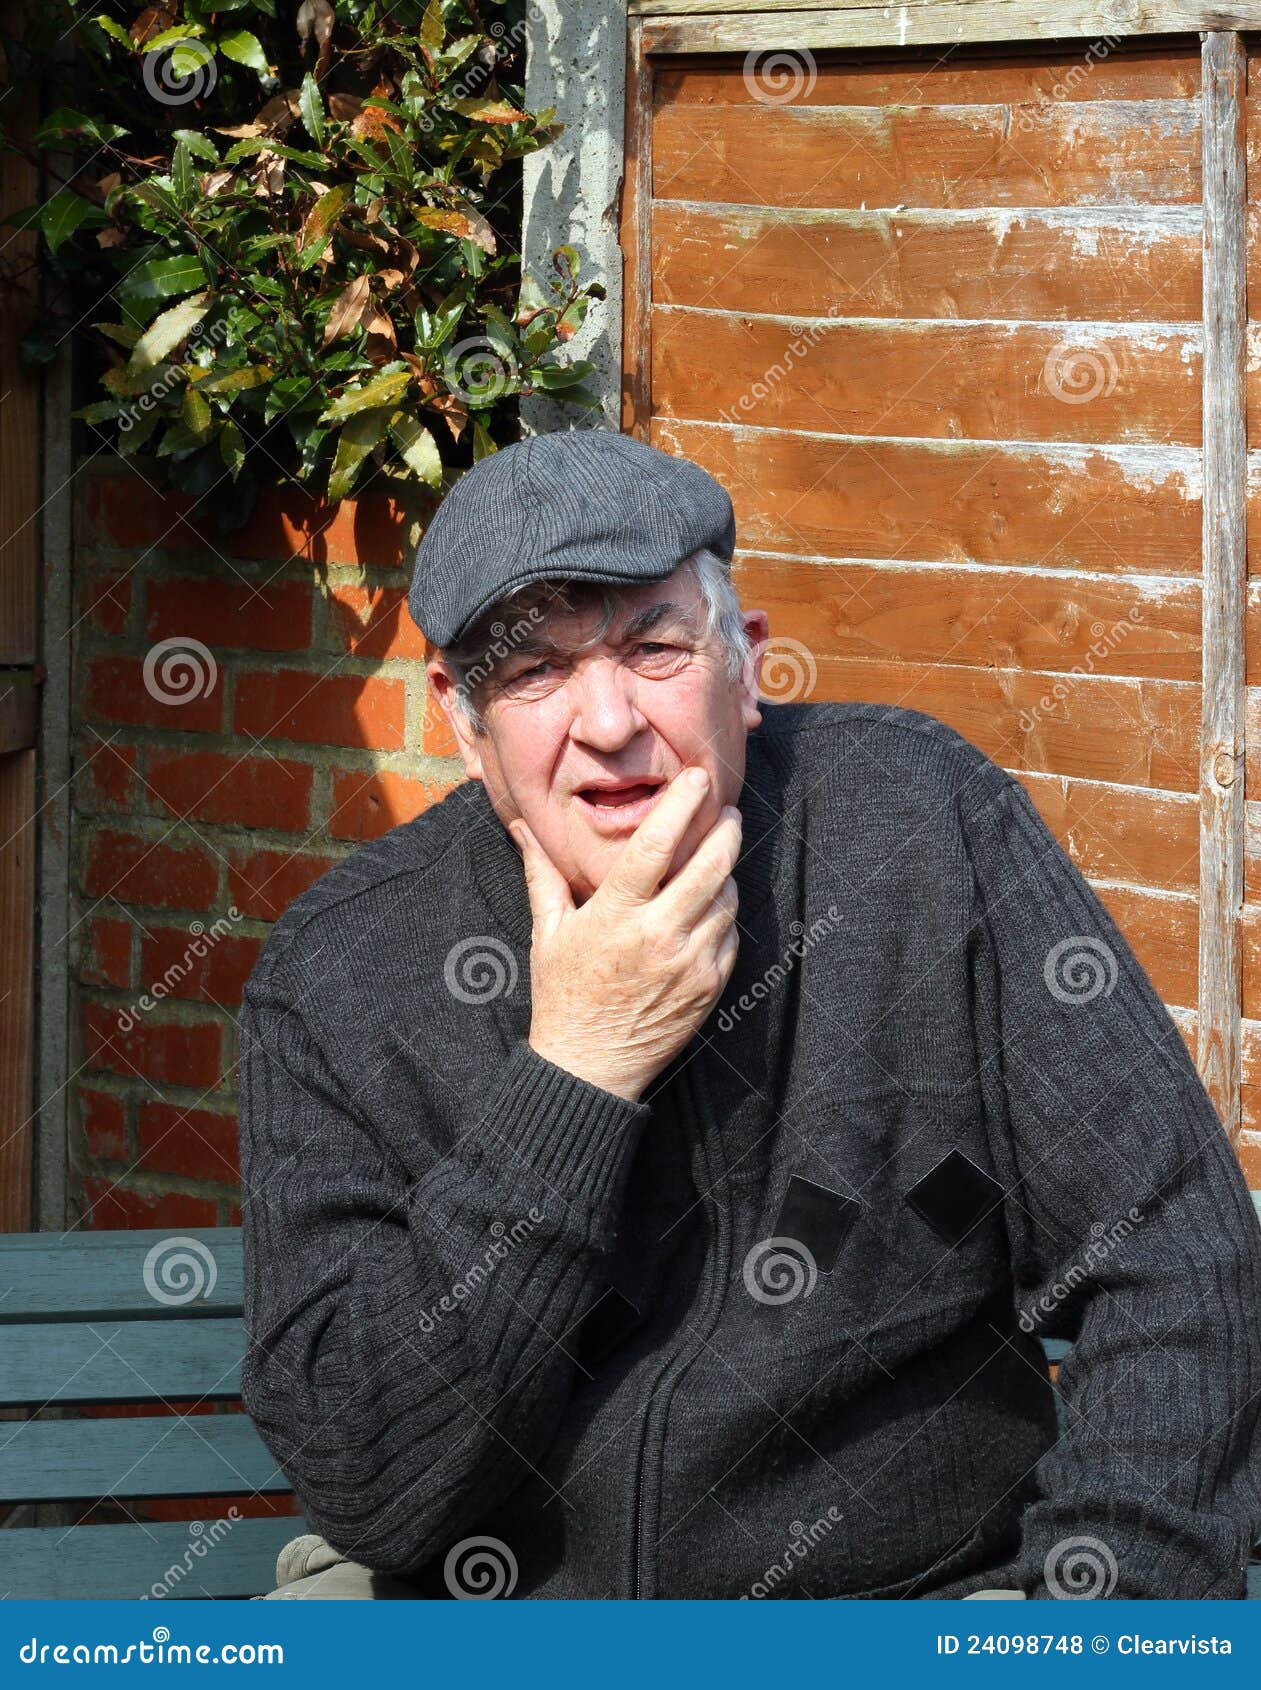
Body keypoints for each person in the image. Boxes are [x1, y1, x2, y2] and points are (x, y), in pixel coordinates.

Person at [238, 429, 1261, 1601]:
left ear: (748, 664)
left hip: (906, 1608)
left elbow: (1176, 1255)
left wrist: (1093, 1620)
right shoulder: (338, 969)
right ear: (462, 724)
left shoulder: (925, 825)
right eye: (534, 674)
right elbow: (369, 1475)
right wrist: (575, 1070)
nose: (608, 719)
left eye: (653, 646)